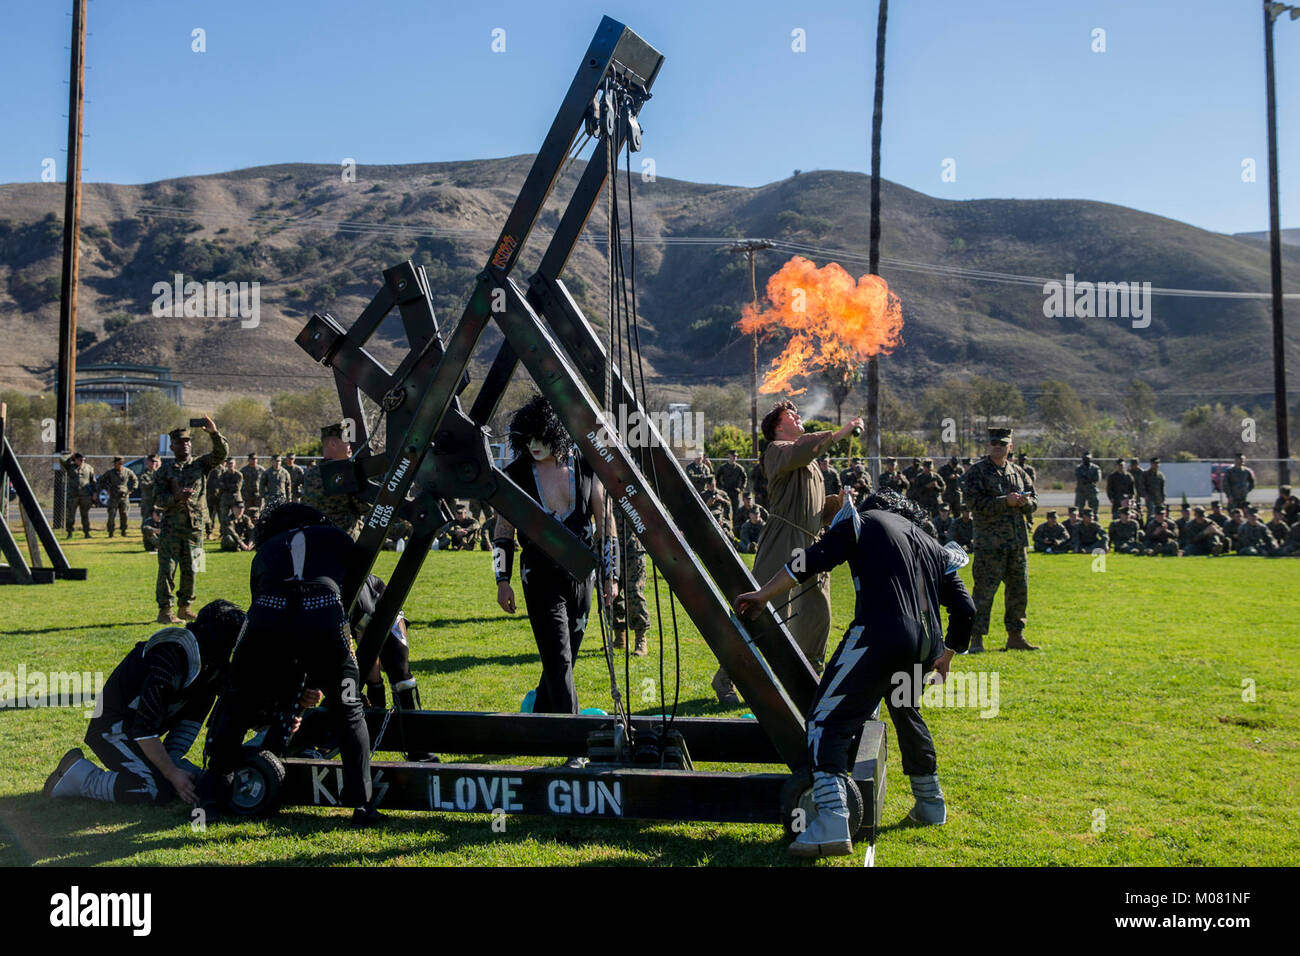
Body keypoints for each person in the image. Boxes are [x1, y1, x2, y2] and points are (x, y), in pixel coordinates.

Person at [734, 491, 975, 857]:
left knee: (825, 720)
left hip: (880, 634)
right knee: (906, 712)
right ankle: (930, 803)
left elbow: (808, 561)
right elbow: (965, 607)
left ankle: (831, 820)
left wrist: (765, 594)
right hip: (925, 645)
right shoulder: (930, 541)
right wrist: (948, 654)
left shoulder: (865, 522)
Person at [199, 503, 381, 826]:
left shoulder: (266, 550)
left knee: (237, 703)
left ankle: (213, 793)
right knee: (349, 711)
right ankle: (362, 805)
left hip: (267, 616)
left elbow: (260, 602)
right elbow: (359, 602)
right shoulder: (337, 538)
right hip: (324, 611)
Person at [711, 401, 862, 705]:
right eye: (790, 415)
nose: (798, 416)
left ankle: (808, 680)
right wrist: (840, 433)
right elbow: (804, 448)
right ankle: (726, 677)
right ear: (778, 427)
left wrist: (838, 501)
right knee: (766, 611)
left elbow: (817, 514)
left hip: (811, 542)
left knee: (816, 614)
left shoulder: (811, 465)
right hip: (782, 540)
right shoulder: (777, 450)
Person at [492, 395, 618, 727]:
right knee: (558, 657)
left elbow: (606, 524)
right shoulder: (516, 473)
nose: (533, 445)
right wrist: (501, 581)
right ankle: (573, 740)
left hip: (581, 574)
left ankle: (538, 710)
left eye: (541, 437)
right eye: (527, 438)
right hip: (539, 574)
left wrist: (612, 575)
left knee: (566, 658)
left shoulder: (585, 467)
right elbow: (503, 530)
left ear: (558, 434)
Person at [44, 601, 245, 806]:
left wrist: (172, 762)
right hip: (113, 728)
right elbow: (143, 727)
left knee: (205, 695)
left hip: (142, 729)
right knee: (156, 788)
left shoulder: (212, 666)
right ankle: (80, 777)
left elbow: (198, 713)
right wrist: (171, 773)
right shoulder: (168, 659)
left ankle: (171, 759)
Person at [963, 427, 1038, 653]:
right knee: (984, 593)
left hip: (1016, 544)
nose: (998, 447)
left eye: (1003, 444)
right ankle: (976, 640)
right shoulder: (976, 473)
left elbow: (1034, 499)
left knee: (1018, 591)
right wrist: (1005, 501)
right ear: (988, 446)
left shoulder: (1018, 472)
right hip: (990, 545)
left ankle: (1015, 636)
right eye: (994, 443)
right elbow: (975, 504)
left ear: (1010, 447)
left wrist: (1026, 503)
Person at [154, 420, 228, 624]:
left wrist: (214, 433)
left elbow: (221, 455)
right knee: (167, 569)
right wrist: (176, 497)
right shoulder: (165, 471)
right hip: (171, 529)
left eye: (188, 441)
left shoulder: (200, 465)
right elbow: (157, 500)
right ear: (172, 447)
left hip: (195, 528)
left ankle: (185, 607)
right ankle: (165, 611)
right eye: (180, 442)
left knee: (193, 568)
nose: (185, 444)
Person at [301, 423, 370, 539]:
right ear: (333, 444)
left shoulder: (311, 473)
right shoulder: (343, 472)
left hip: (316, 539)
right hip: (342, 541)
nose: (351, 447)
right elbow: (366, 507)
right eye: (348, 442)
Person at [611, 508, 650, 657]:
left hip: (633, 549)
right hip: (612, 548)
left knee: (634, 592)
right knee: (612, 593)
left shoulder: (632, 489)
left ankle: (641, 639)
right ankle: (619, 637)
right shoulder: (605, 489)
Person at [98, 456, 138, 538]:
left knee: (124, 514)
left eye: (117, 463)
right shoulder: (110, 473)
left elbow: (135, 480)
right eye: (115, 463)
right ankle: (111, 532)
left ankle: (123, 530)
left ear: (121, 464)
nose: (115, 465)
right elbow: (101, 481)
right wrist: (107, 489)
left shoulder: (127, 471)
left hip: (124, 496)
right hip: (113, 496)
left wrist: (131, 490)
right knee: (111, 514)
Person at [60, 451, 97, 538]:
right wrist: (70, 455)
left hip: (85, 496)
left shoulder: (89, 468)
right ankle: (69, 533)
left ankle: (87, 533)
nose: (82, 461)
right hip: (73, 495)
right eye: (80, 460)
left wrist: (95, 492)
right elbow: (62, 460)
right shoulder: (70, 467)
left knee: (85, 515)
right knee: (70, 515)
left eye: (83, 460)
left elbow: (93, 482)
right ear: (75, 460)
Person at [715, 449, 748, 527]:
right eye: (733, 456)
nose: (734, 458)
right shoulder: (723, 467)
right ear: (729, 456)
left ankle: (735, 528)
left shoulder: (739, 468)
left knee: (735, 511)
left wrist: (741, 488)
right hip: (725, 491)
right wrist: (720, 488)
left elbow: (744, 479)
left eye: (735, 456)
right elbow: (717, 478)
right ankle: (726, 527)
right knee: (726, 510)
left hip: (735, 492)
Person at [216, 459, 243, 534]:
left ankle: (237, 533)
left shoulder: (238, 475)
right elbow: (220, 486)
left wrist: (226, 486)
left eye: (231, 463)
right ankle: (224, 533)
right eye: (228, 463)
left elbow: (237, 487)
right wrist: (229, 486)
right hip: (225, 499)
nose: (230, 465)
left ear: (234, 464)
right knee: (223, 517)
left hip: (235, 499)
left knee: (237, 517)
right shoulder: (223, 475)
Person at [240, 453, 263, 520]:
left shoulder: (261, 470)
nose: (254, 460)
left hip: (258, 495)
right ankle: (247, 527)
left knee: (259, 512)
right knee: (247, 512)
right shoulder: (244, 470)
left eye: (255, 459)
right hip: (247, 495)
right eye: (252, 459)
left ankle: (258, 526)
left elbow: (266, 481)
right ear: (249, 460)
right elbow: (239, 482)